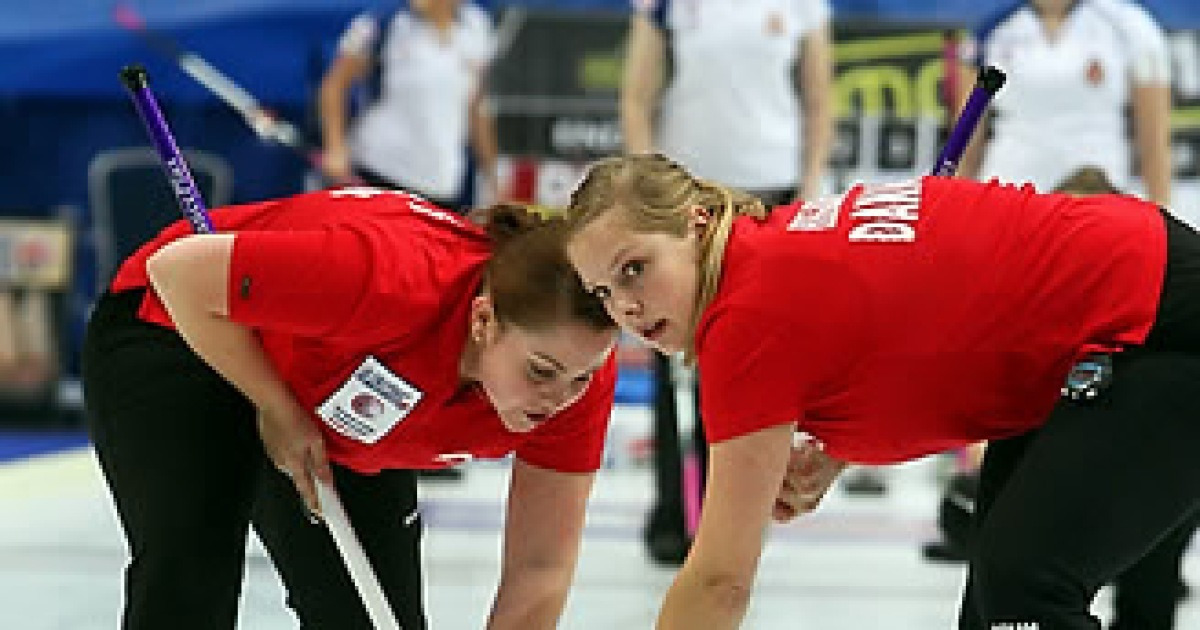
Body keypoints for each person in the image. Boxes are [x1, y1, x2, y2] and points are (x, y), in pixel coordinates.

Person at [562, 153, 1200, 630]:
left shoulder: (743, 320)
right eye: (604, 294)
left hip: (1151, 319)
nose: (627, 307)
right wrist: (841, 448)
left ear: (696, 224)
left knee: (1024, 589)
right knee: (996, 600)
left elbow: (720, 581)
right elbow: (916, 319)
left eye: (634, 269)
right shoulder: (775, 246)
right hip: (1115, 307)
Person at [82, 186, 619, 630]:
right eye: (541, 372)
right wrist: (278, 408)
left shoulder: (575, 370)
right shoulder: (392, 280)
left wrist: (294, 409)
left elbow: (539, 570)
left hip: (335, 386)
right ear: (483, 321)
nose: (560, 398)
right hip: (181, 330)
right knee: (191, 581)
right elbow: (178, 273)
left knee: (371, 617)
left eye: (582, 378)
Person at [923, 165, 1197, 629]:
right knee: (999, 581)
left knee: (1055, 584)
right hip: (1072, 431)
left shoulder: (1148, 297)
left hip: (1153, 422)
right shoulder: (1034, 296)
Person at [620, 0, 836, 563]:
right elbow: (637, 96)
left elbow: (818, 98)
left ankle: (739, 512)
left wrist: (811, 181)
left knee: (754, 364)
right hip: (686, 199)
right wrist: (646, 189)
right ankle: (674, 509)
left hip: (768, 192)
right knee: (673, 357)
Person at [958, 0, 1173, 206]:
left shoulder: (1133, 26)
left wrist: (1162, 212)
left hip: (1096, 195)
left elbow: (1153, 138)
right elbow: (967, 134)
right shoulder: (990, 30)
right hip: (1010, 189)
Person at [317, 0, 500, 211]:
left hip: (444, 184)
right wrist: (336, 147)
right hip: (380, 173)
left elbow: (476, 108)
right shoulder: (383, 22)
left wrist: (492, 177)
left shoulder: (476, 24)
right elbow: (334, 85)